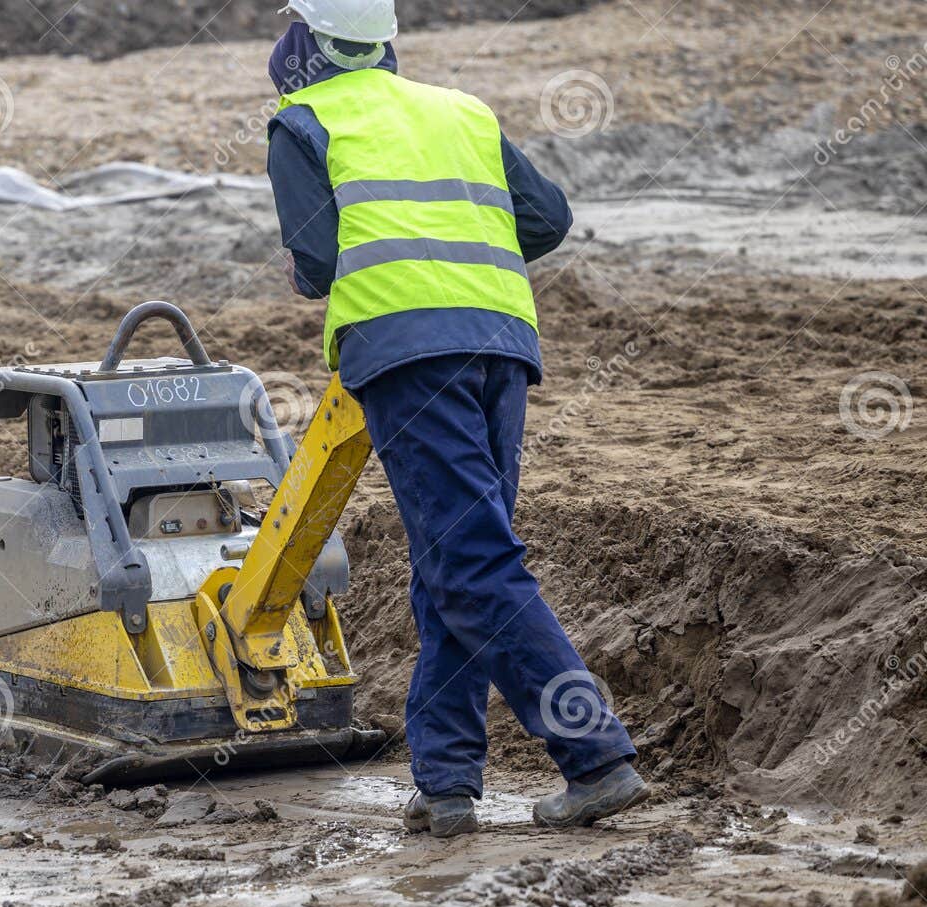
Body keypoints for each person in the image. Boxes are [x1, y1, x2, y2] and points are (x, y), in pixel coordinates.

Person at [267, 0, 650, 837]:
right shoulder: (461, 110)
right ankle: (446, 787)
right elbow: (547, 218)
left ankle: (597, 756)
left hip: (410, 354)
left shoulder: (302, 122)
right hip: (501, 345)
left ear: (314, 45)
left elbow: (319, 258)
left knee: (473, 562)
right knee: (456, 561)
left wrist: (347, 272)